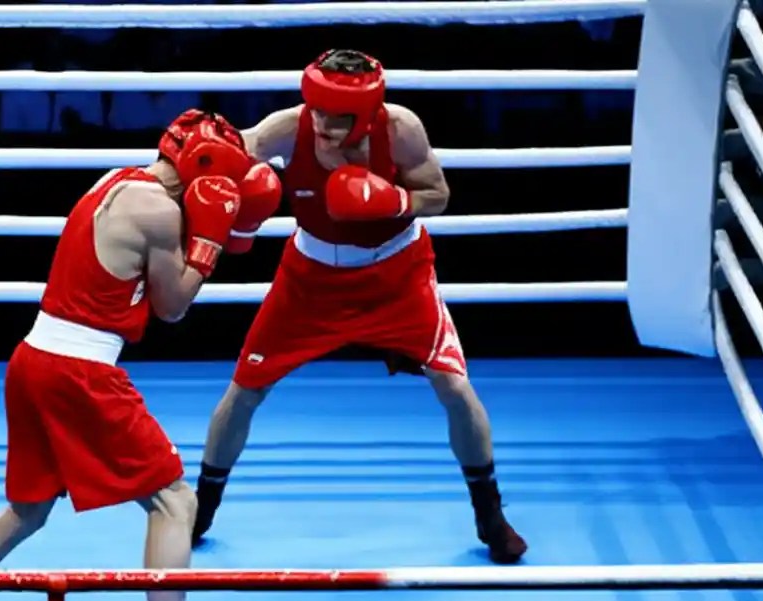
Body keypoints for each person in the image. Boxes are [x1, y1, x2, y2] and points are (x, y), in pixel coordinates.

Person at [0, 110, 282, 601]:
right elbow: (174, 305)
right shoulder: (157, 211)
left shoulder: (117, 179)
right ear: (206, 169)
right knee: (175, 501)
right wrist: (209, 242)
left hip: (33, 358)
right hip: (79, 368)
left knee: (27, 512)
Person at [191, 50, 528, 565]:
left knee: (455, 387)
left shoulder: (400, 130)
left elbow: (437, 193)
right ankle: (200, 511)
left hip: (396, 274)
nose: (323, 126)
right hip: (310, 279)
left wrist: (392, 200)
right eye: (318, 111)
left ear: (367, 111)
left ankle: (490, 515)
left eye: (338, 116)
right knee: (245, 391)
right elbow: (226, 155)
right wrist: (193, 170)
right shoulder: (288, 129)